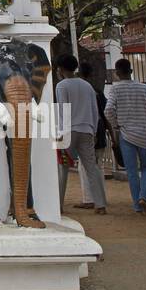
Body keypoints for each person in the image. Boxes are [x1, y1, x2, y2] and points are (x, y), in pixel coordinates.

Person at [54, 53, 106, 215]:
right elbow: (94, 110)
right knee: (91, 167)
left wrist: (60, 132)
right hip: (87, 129)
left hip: (68, 130)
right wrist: (94, 130)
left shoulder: (62, 85)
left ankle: (59, 205)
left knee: (62, 168)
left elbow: (63, 109)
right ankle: (100, 204)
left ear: (61, 69)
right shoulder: (87, 86)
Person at [108, 58, 146, 213]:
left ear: (116, 73)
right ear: (130, 71)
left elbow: (108, 110)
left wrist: (116, 123)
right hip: (144, 134)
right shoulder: (144, 88)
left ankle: (137, 204)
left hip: (126, 134)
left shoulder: (115, 89)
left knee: (131, 171)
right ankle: (144, 196)